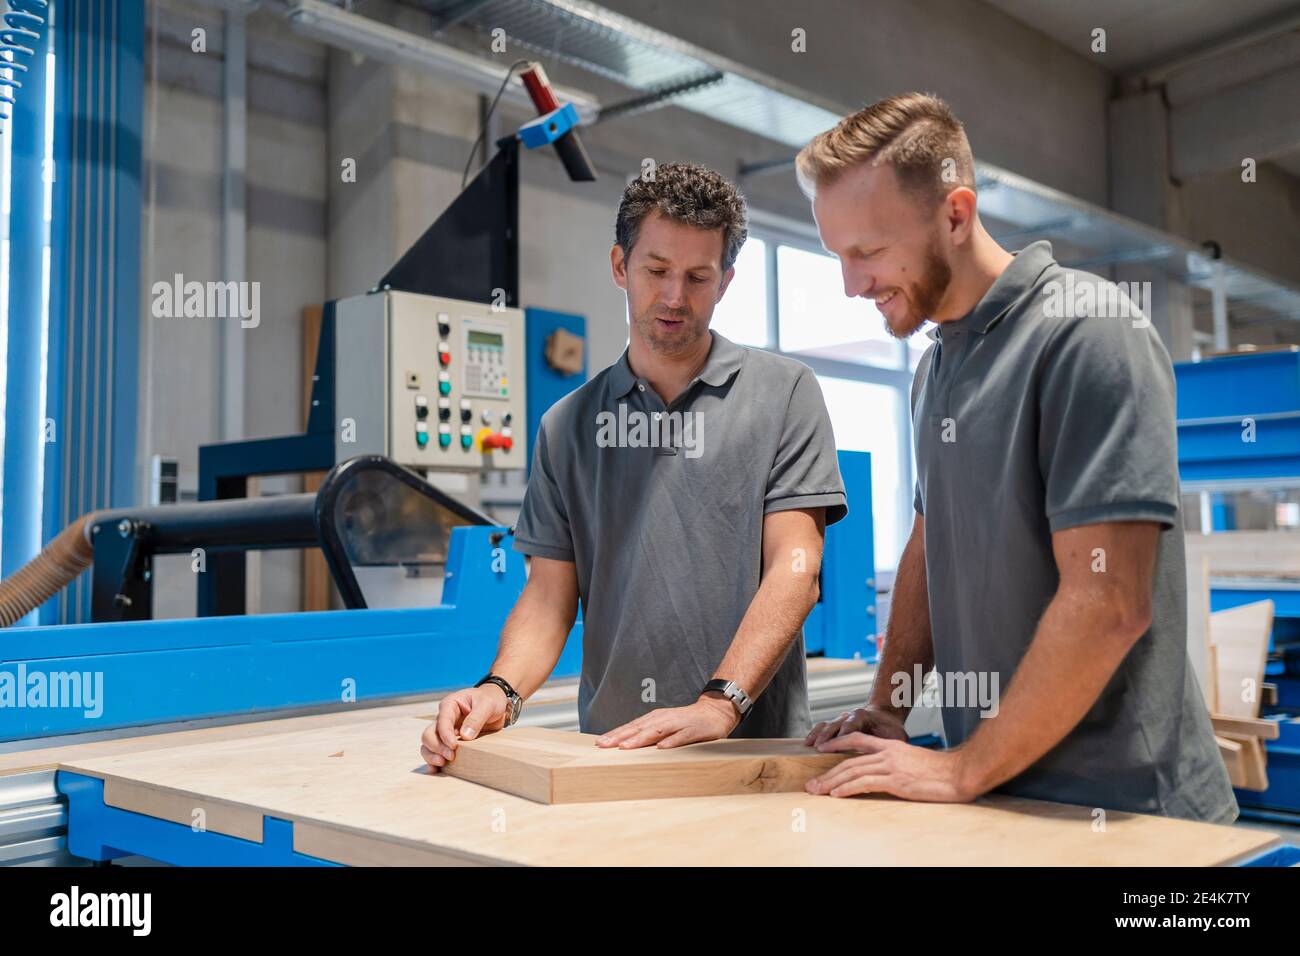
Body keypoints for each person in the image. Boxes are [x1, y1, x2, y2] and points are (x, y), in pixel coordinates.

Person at [797, 92, 1235, 823]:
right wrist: (889, 704)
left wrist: (964, 768)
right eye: (837, 256)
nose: (852, 284)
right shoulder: (936, 370)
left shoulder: (1087, 335)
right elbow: (931, 539)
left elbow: (1110, 604)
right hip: (1006, 805)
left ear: (956, 214)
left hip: (1136, 820)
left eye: (868, 252)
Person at [421, 162, 847, 771]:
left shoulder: (784, 394)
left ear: (726, 281)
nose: (675, 297)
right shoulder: (566, 426)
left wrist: (719, 705)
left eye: (698, 276)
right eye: (656, 271)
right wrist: (498, 691)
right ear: (620, 266)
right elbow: (548, 598)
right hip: (612, 755)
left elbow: (795, 569)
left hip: (754, 755)